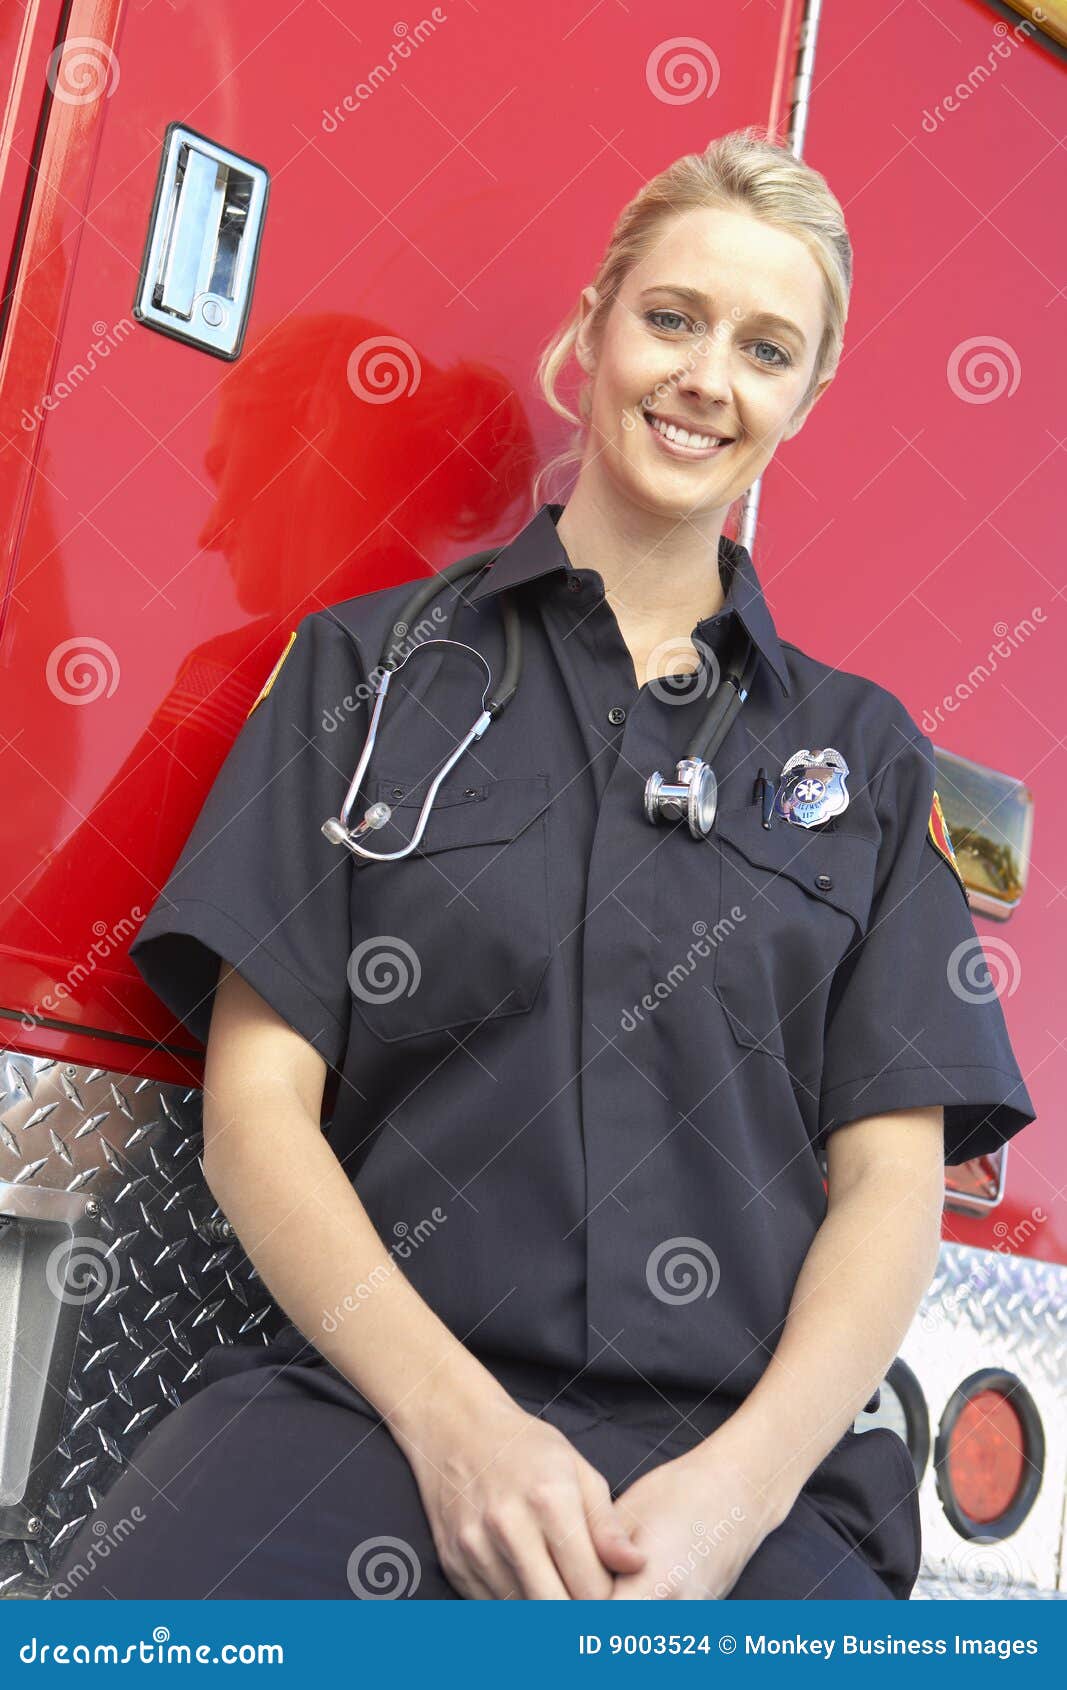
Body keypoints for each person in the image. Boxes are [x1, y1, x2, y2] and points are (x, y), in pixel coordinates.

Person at [49, 127, 1035, 1602]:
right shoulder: (362, 675)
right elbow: (258, 1105)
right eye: (673, 317)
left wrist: (730, 1500)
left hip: (744, 1463)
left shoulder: (866, 759)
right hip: (383, 1407)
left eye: (767, 348)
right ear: (593, 327)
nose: (708, 376)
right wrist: (458, 1433)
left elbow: (890, 1186)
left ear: (806, 401)